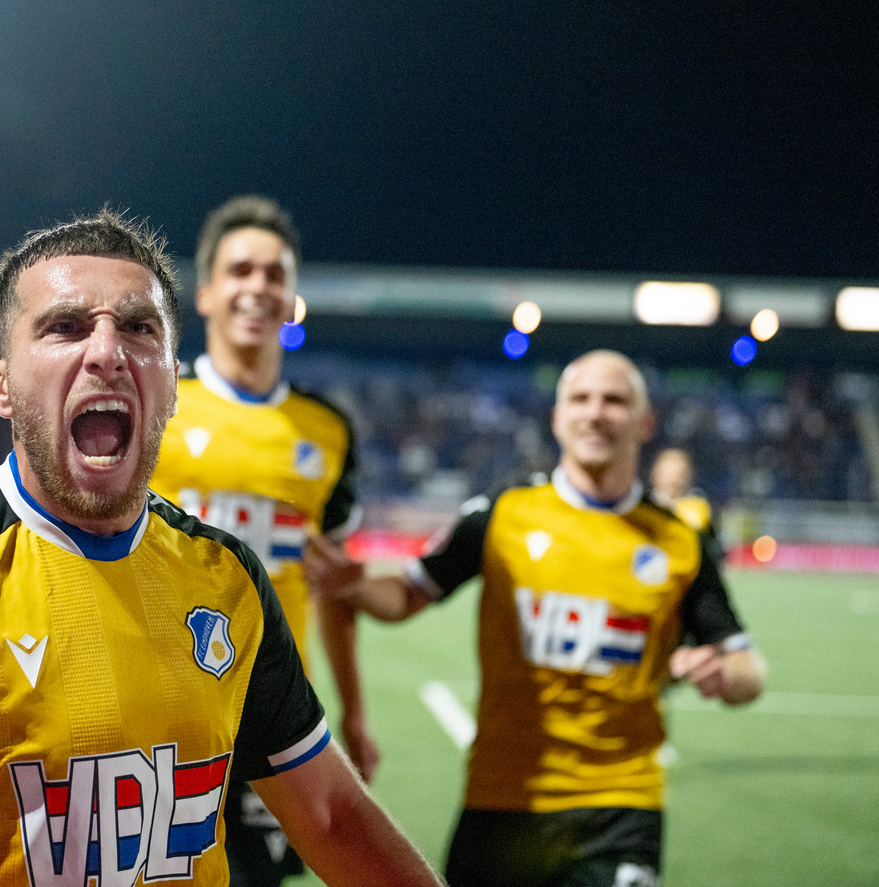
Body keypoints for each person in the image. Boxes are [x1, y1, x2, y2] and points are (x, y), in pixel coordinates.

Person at [0, 210, 445, 886]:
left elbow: (331, 818)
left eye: (139, 328)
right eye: (64, 327)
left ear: (172, 384)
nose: (107, 352)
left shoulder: (229, 580)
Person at [306, 349, 767, 887]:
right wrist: (354, 583)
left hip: (620, 806)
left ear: (645, 422)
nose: (595, 413)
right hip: (502, 799)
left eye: (614, 400)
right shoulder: (505, 512)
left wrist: (728, 676)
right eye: (581, 398)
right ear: (557, 417)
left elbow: (747, 666)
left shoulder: (680, 541)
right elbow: (407, 596)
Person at [148, 195, 374, 886]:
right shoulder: (157, 403)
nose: (259, 287)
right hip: (156, 710)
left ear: (292, 297)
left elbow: (335, 586)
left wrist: (355, 715)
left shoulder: (327, 431)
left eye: (275, 274)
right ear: (208, 292)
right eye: (240, 270)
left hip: (273, 715)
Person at [649, 447, 715, 535]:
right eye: (668, 474)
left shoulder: (697, 506)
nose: (673, 480)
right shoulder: (642, 504)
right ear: (655, 473)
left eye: (678, 474)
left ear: (688, 476)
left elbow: (696, 526)